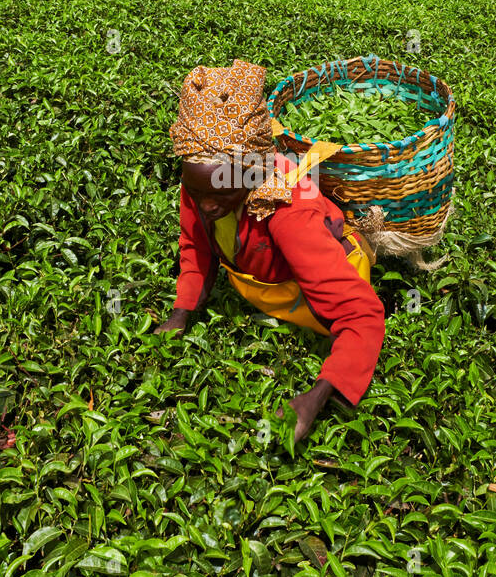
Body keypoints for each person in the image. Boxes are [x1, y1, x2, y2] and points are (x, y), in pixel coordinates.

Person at [158, 60, 384, 442]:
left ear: (250, 173)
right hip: (263, 279)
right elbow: (195, 245)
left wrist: (317, 396)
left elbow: (362, 314)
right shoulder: (204, 183)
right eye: (197, 192)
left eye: (219, 193)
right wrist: (181, 315)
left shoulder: (287, 212)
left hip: (312, 284)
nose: (206, 205)